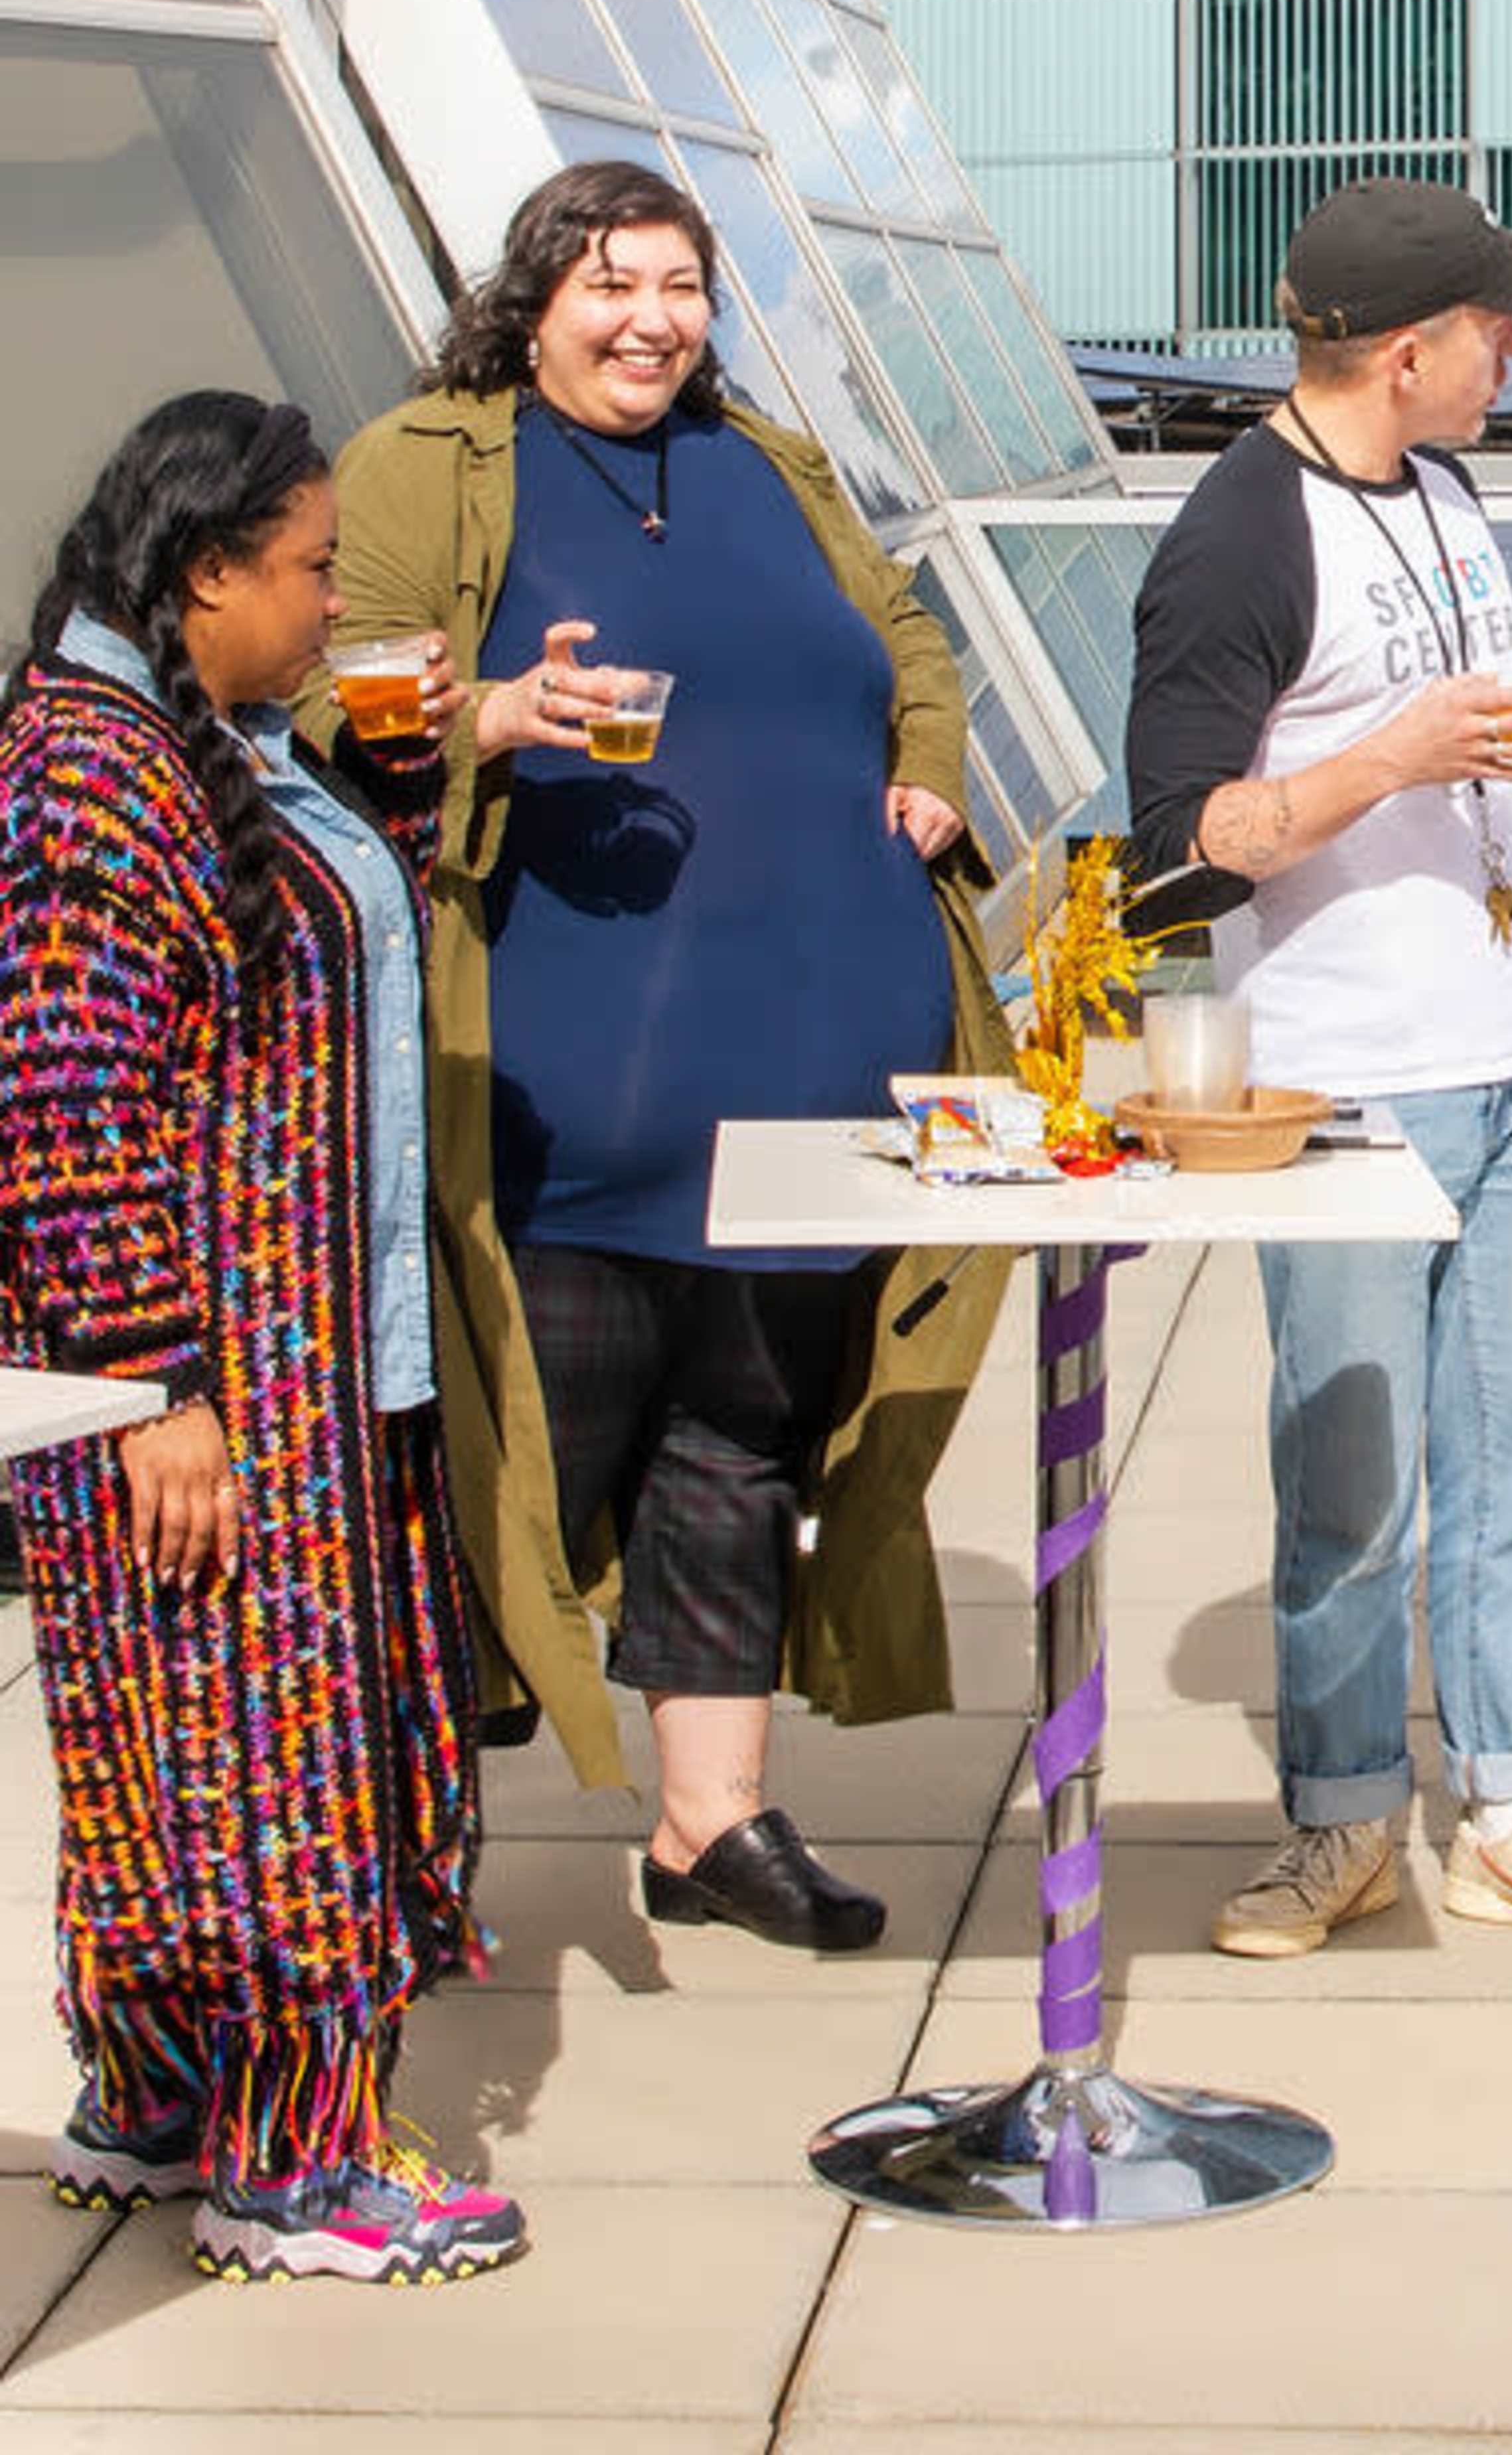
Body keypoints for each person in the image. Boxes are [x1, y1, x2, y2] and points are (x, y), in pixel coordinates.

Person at [327, 159, 1011, 1953]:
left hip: (819, 1068)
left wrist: (927, 768)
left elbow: (910, 634)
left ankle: (710, 1820)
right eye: (611, 282)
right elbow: (332, 683)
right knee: (508, 1471)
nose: (652, 320)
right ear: (533, 292)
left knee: (746, 1439)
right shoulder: (431, 457)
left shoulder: (768, 463)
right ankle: (389, 1849)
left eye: (683, 285)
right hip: (575, 1081)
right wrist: (490, 708)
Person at [1128, 176, 1512, 1959]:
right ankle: (1340, 1820)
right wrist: (1375, 761)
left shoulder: (1451, 493)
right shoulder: (1236, 536)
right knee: (1357, 1482)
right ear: (1406, 349)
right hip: (1345, 1083)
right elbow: (1169, 856)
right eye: (1496, 321)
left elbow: (1494, 746)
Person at [0, 393, 523, 2286]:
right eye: (306, 569)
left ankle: (156, 2098)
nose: (329, 601)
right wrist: (161, 1392)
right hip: (218, 1381)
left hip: (292, 1357)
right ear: (204, 569)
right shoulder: (92, 771)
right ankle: (297, 2168)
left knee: (169, 1745)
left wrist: (381, 789)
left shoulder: (193, 736)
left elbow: (277, 968)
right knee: (269, 1759)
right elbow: (59, 1105)